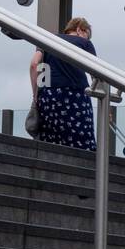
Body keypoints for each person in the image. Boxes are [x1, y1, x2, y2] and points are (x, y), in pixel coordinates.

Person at [28, 17, 97, 150]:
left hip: (49, 97)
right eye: (87, 35)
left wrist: (36, 96)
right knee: (82, 144)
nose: (87, 39)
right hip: (75, 97)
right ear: (79, 30)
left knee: (50, 142)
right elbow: (97, 75)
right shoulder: (84, 43)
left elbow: (34, 64)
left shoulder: (47, 38)